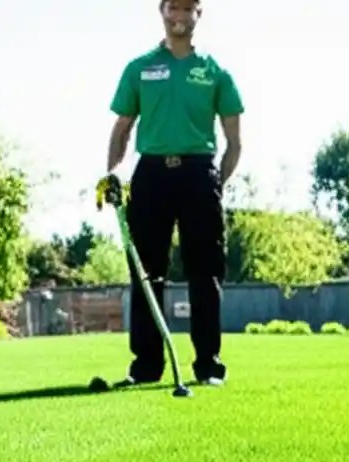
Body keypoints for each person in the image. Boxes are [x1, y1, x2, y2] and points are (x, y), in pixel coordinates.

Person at [104, 0, 243, 387]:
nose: (179, 15)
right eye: (173, 8)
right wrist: (113, 173)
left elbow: (234, 142)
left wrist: (218, 182)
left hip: (199, 173)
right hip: (150, 175)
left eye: (188, 8)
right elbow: (122, 129)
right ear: (161, 12)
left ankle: (207, 365)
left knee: (205, 272)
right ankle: (146, 368)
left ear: (199, 14)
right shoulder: (139, 68)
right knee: (146, 274)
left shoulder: (216, 73)